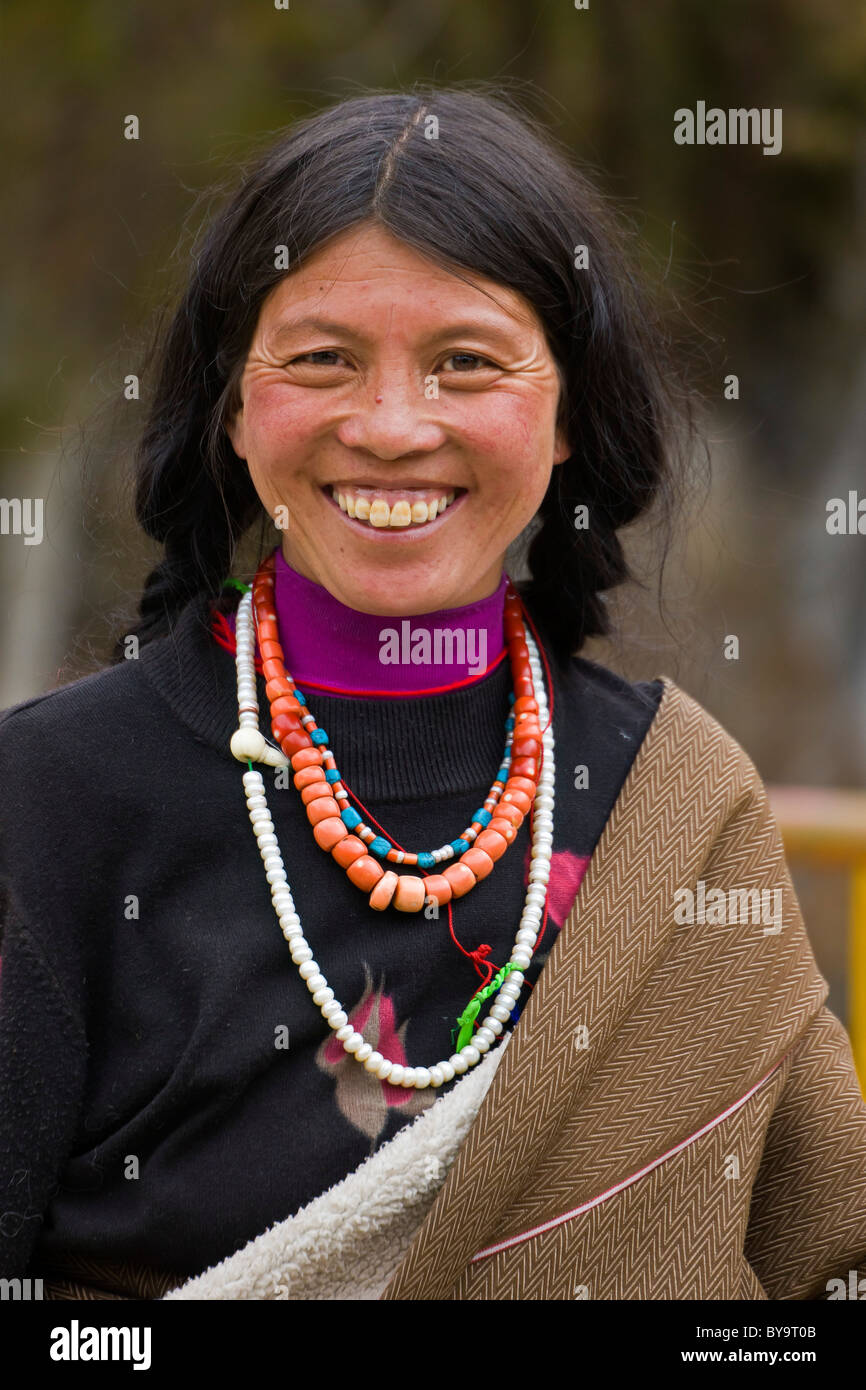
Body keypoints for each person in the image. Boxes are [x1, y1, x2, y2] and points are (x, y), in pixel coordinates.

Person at [1, 86, 864, 1302]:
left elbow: (830, 1263)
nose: (393, 426)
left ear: (568, 411)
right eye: (321, 360)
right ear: (233, 410)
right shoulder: (49, 801)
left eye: (466, 362)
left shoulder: (673, 805)